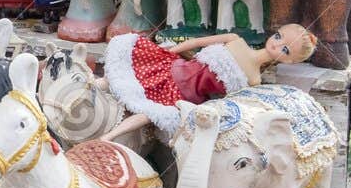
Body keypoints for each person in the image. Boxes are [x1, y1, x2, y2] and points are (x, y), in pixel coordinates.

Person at [100, 24, 318, 141]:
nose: (277, 45)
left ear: (288, 60)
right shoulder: (236, 40)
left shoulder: (254, 80)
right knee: (127, 72)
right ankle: (95, 84)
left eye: (285, 50)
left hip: (184, 96)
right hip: (175, 69)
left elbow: (225, 102)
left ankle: (109, 137)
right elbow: (195, 42)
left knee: (151, 114)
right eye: (278, 37)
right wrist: (167, 52)